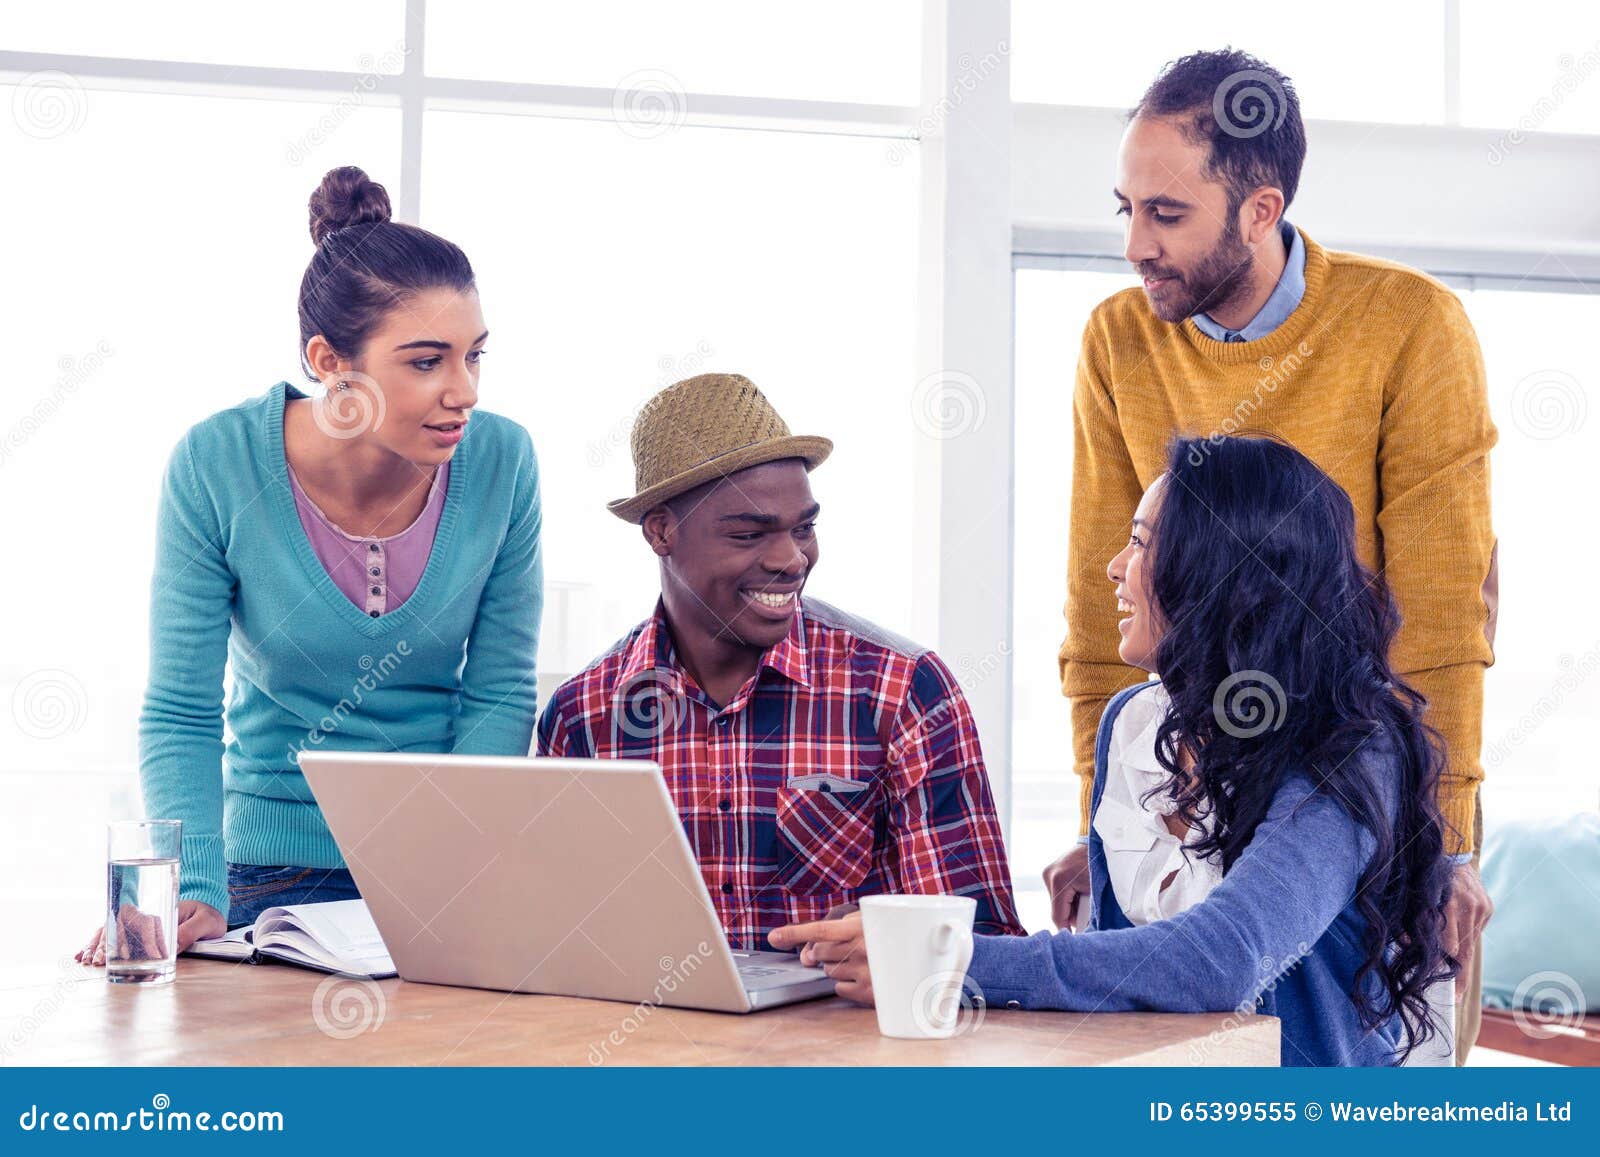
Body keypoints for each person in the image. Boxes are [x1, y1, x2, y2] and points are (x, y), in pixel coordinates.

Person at [1041, 48, 1497, 1059]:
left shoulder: (1409, 324)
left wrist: (1443, 838)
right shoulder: (1118, 339)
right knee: (1173, 1046)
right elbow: (1096, 598)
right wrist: (1101, 823)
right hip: (1187, 763)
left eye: (1165, 215)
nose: (1132, 245)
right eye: (1123, 207)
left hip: (1354, 775)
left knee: (1351, 1058)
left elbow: (1441, 602)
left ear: (1259, 209)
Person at [773, 434, 1458, 1067]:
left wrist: (948, 962)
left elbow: (1223, 957)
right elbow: (1118, 979)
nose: (1115, 568)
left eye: (1140, 543)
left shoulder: (1348, 748)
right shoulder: (1133, 723)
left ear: (1227, 570)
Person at [78, 166, 543, 967]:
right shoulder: (217, 464)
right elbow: (182, 710)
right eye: (427, 361)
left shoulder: (502, 461)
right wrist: (194, 884)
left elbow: (500, 690)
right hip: (256, 880)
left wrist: (448, 871)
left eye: (475, 356)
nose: (463, 390)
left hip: (437, 873)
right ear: (329, 361)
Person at [536, 373, 1023, 949]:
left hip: (847, 1037)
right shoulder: (582, 716)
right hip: (648, 1036)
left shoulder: (903, 690)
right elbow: (556, 939)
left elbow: (982, 944)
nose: (792, 559)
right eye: (749, 534)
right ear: (662, 532)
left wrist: (899, 951)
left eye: (805, 528)